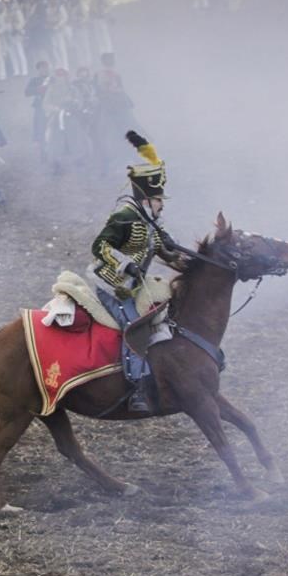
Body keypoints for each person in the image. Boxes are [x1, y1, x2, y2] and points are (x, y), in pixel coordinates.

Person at [90, 131, 185, 413]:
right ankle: (138, 388)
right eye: (158, 200)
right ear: (146, 200)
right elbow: (100, 246)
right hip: (113, 283)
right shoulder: (125, 217)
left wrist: (172, 249)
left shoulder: (151, 220)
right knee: (135, 326)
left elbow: (159, 246)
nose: (162, 204)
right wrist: (124, 263)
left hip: (137, 283)